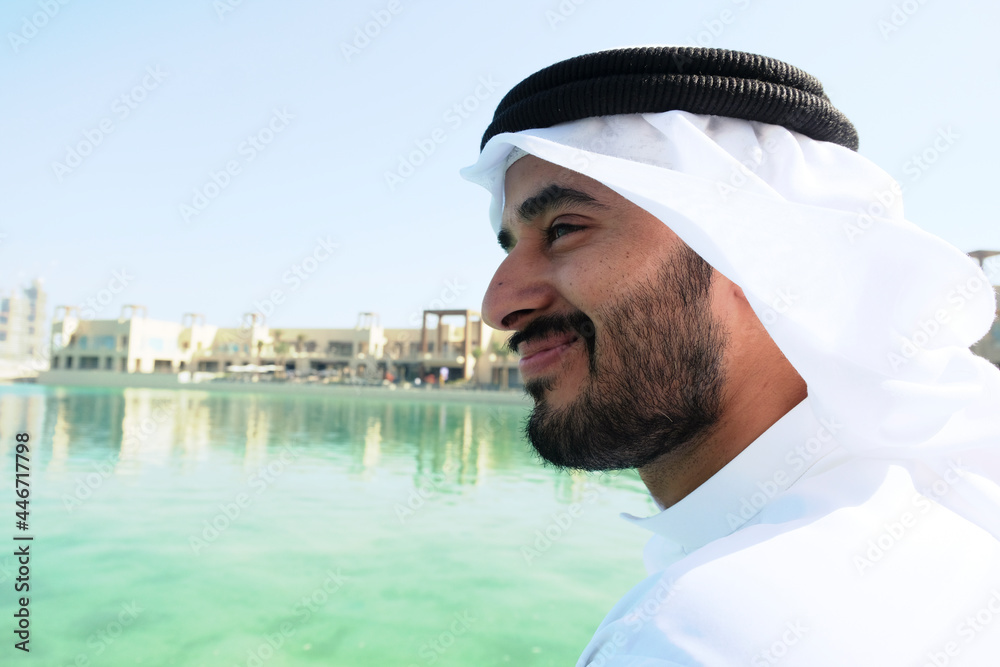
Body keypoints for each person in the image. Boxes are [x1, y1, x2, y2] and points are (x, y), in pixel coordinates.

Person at [461, 46, 1000, 666]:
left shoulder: (697, 636)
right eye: (509, 246)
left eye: (564, 229)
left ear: (754, 254)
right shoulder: (935, 518)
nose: (498, 305)